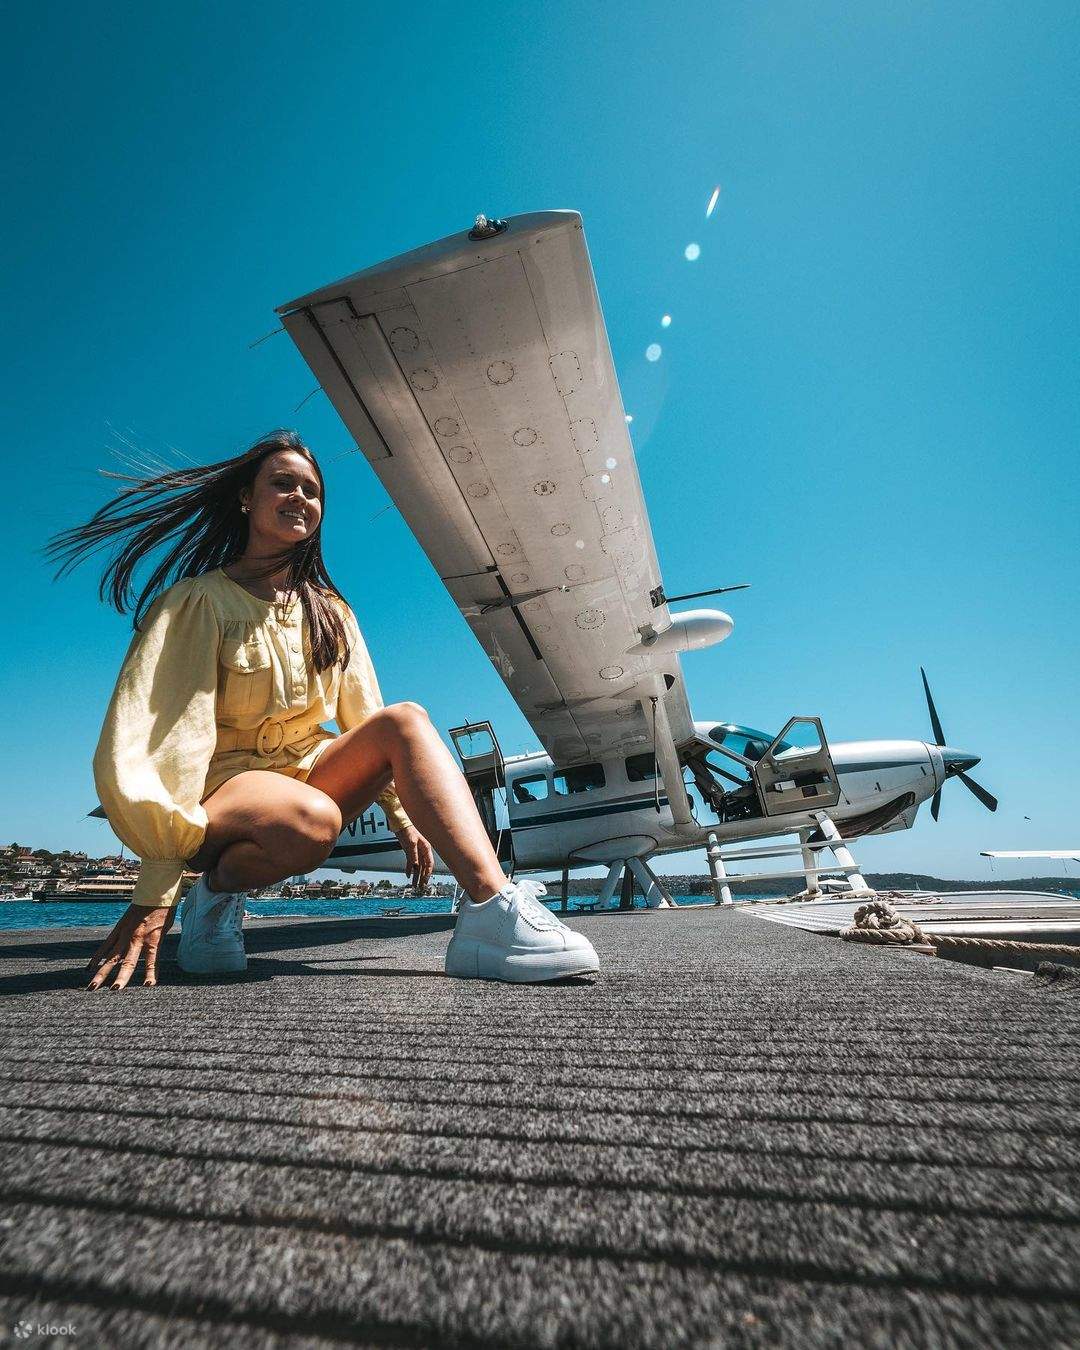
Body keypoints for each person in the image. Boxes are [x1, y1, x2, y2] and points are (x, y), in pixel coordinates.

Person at [46, 430, 599, 990]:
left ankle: (489, 912)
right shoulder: (198, 601)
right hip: (219, 788)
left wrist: (405, 818)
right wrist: (157, 886)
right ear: (246, 498)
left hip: (307, 775)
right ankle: (211, 895)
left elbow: (366, 720)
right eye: (282, 484)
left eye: (312, 492)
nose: (300, 499)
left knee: (405, 719)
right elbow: (169, 740)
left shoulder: (332, 612)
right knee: (312, 822)